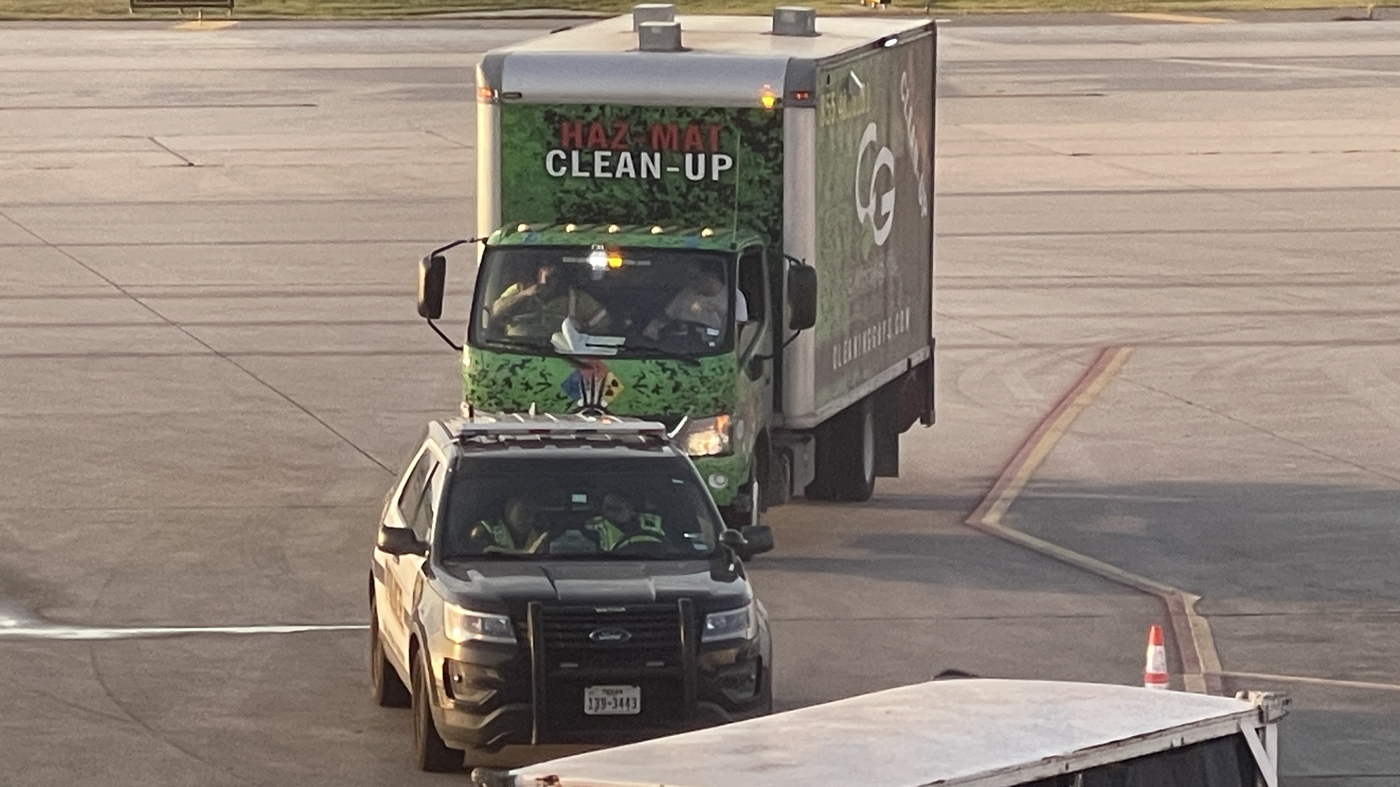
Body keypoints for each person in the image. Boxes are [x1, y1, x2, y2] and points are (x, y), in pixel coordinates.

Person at [490, 262, 610, 335]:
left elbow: (604, 326)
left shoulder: (578, 300)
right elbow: (496, 313)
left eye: (553, 276)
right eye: (544, 275)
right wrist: (524, 295)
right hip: (515, 352)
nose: (547, 281)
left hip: (561, 356)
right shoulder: (518, 289)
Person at [644, 271, 745, 341]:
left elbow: (740, 329)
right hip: (681, 340)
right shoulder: (687, 293)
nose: (693, 283)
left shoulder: (734, 296)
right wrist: (654, 325)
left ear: (710, 278)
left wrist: (719, 311)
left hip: (714, 344)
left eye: (697, 278)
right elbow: (668, 314)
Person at [585, 493, 666, 552]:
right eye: (610, 508)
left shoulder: (656, 523)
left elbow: (669, 550)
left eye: (617, 509)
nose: (614, 514)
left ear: (632, 509)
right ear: (601, 510)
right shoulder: (593, 529)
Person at [467, 496, 547, 553]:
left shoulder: (538, 536)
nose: (528, 519)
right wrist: (526, 554)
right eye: (523, 512)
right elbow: (486, 551)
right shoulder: (486, 529)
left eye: (532, 514)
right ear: (509, 509)